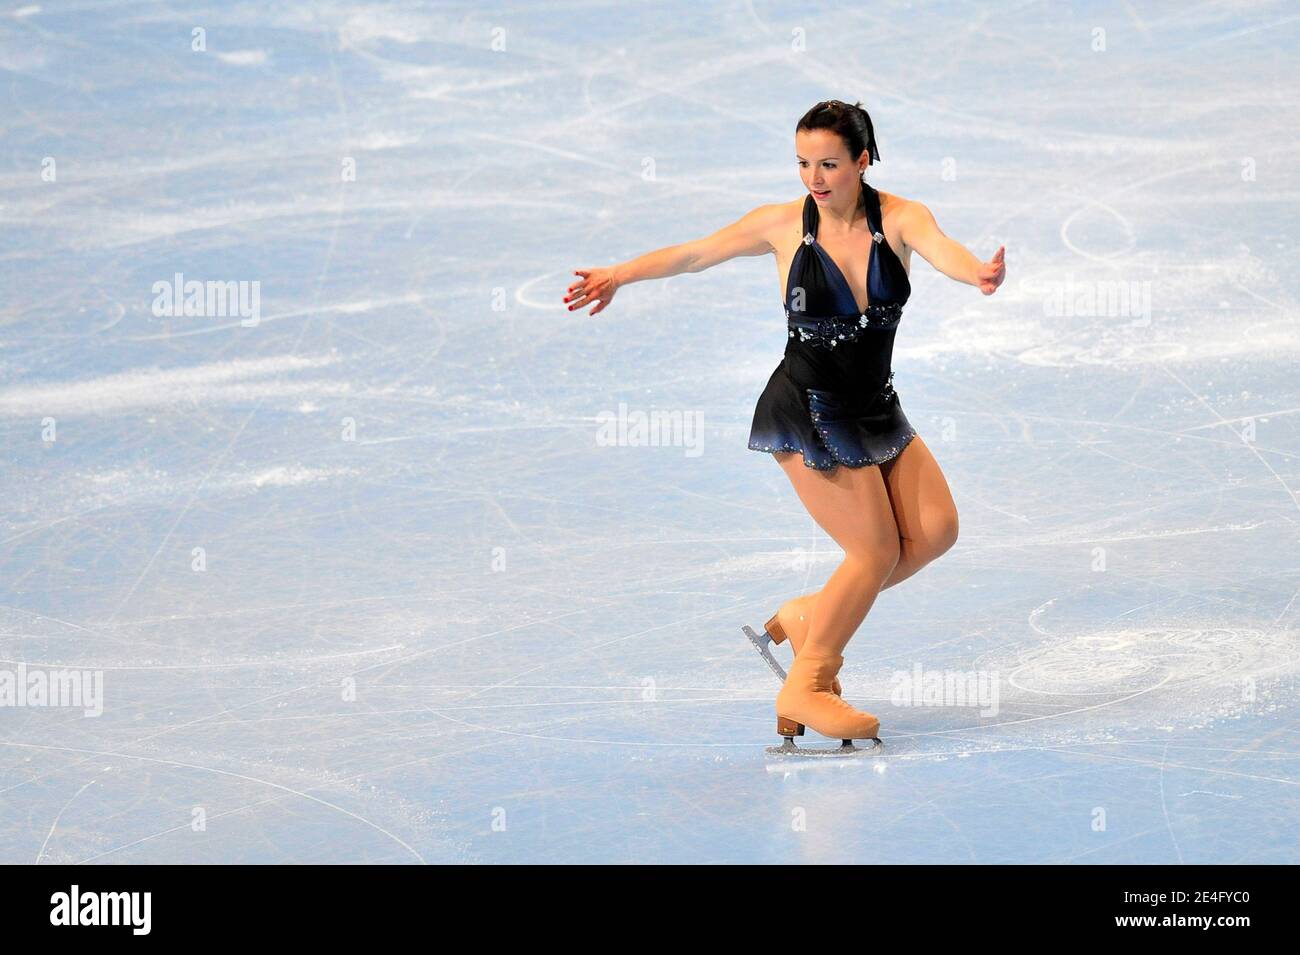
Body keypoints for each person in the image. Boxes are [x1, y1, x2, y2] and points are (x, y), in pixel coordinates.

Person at [564, 100, 1006, 744]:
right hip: (807, 408)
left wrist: (980, 274)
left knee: (936, 530)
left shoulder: (903, 218)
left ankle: (813, 616)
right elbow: (696, 254)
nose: (814, 178)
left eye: (828, 163)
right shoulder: (781, 226)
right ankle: (810, 681)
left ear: (862, 160)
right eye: (803, 163)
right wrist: (619, 274)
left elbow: (944, 252)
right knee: (875, 550)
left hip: (874, 404)